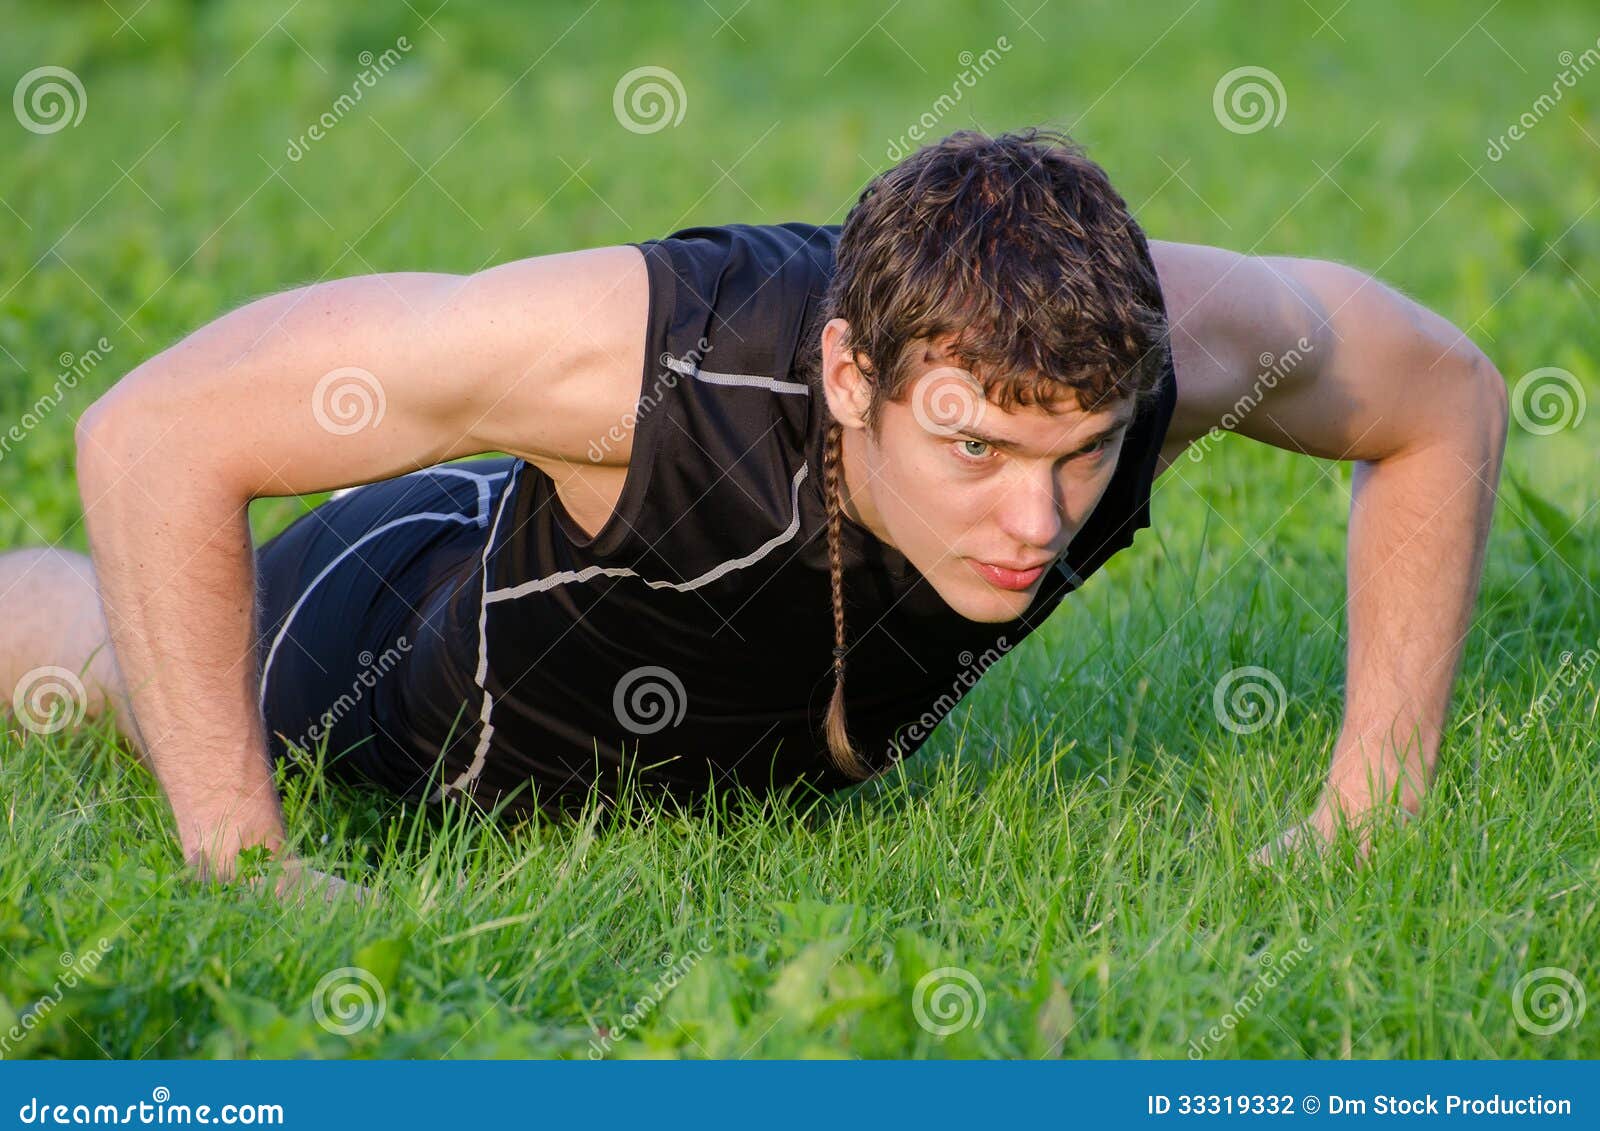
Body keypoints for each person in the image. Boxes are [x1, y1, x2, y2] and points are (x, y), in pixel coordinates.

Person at [0, 128, 1507, 898]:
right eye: (973, 447)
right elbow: (152, 427)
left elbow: (1445, 400)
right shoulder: (647, 348)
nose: (1037, 519)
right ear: (851, 371)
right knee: (98, 667)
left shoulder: (1166, 346)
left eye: (1085, 454)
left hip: (660, 648)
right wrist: (245, 865)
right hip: (403, 641)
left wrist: (1372, 800)